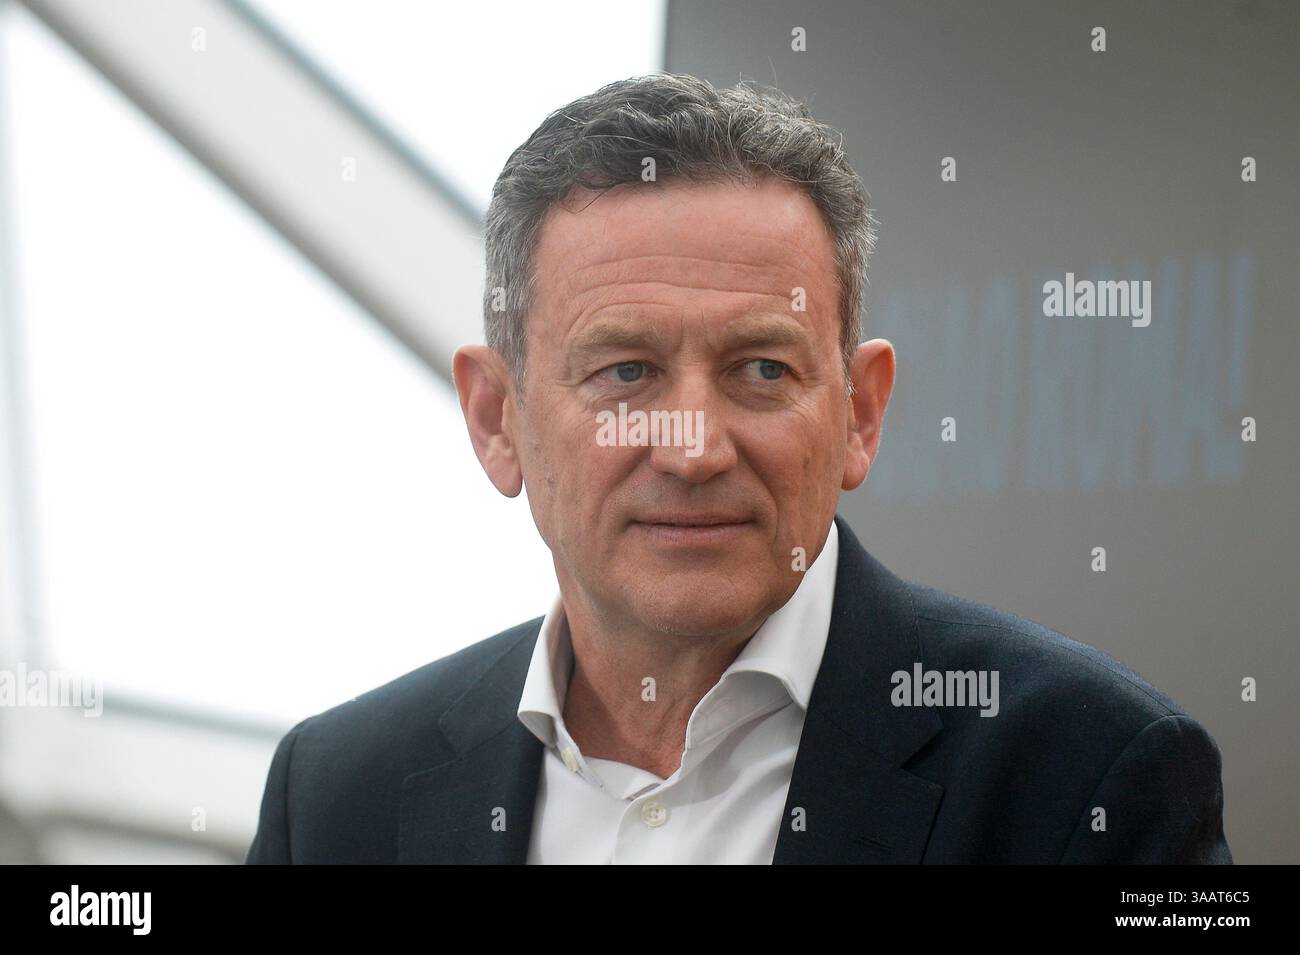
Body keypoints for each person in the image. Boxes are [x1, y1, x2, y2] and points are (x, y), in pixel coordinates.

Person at [247, 73, 1231, 864]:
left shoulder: (1092, 777)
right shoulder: (336, 797)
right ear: (497, 418)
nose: (694, 448)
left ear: (860, 412)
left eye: (760, 370)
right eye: (626, 372)